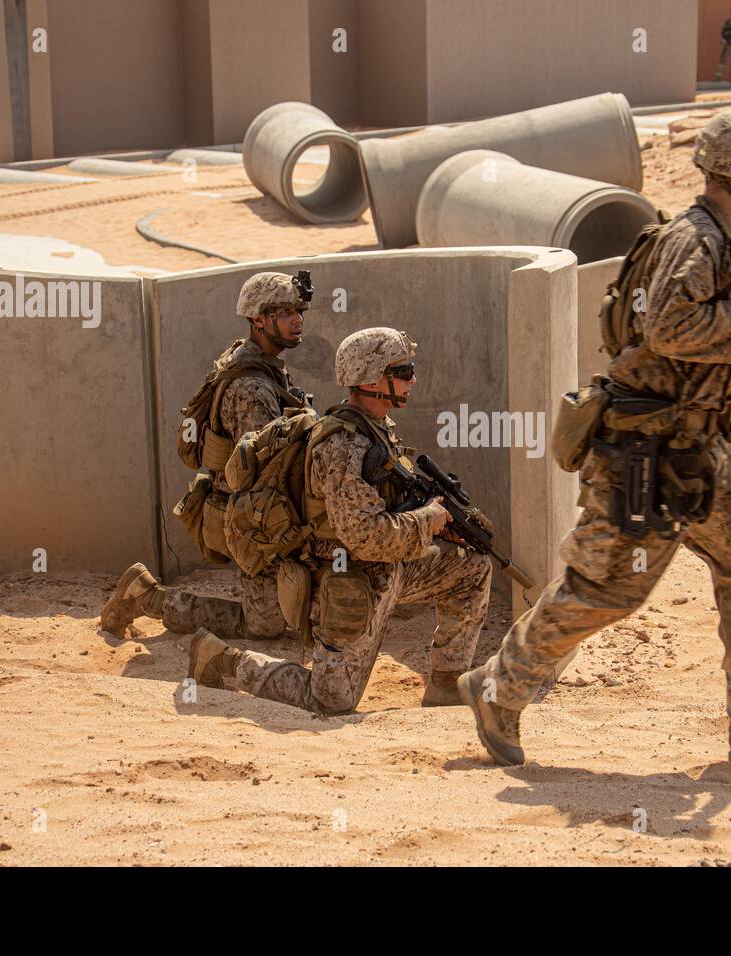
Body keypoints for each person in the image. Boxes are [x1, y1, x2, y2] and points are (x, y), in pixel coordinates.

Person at [458, 109, 731, 767]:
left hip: (696, 450)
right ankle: (499, 687)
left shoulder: (722, 243)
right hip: (645, 455)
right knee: (607, 591)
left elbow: (672, 357)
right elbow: (668, 329)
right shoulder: (692, 243)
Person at [186, 327, 495, 714]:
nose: (412, 380)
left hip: (388, 568)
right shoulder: (344, 445)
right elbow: (364, 536)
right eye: (403, 371)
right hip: (348, 581)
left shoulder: (378, 429)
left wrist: (435, 517)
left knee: (472, 569)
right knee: (330, 700)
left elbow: (389, 512)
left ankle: (448, 685)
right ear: (371, 379)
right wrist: (428, 521)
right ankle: (224, 661)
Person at [99, 271, 311, 642]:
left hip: (248, 507)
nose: (297, 320)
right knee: (265, 628)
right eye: (285, 312)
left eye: (299, 310)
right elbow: (263, 467)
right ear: (258, 320)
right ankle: (146, 597)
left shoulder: (260, 363)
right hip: (251, 518)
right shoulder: (251, 385)